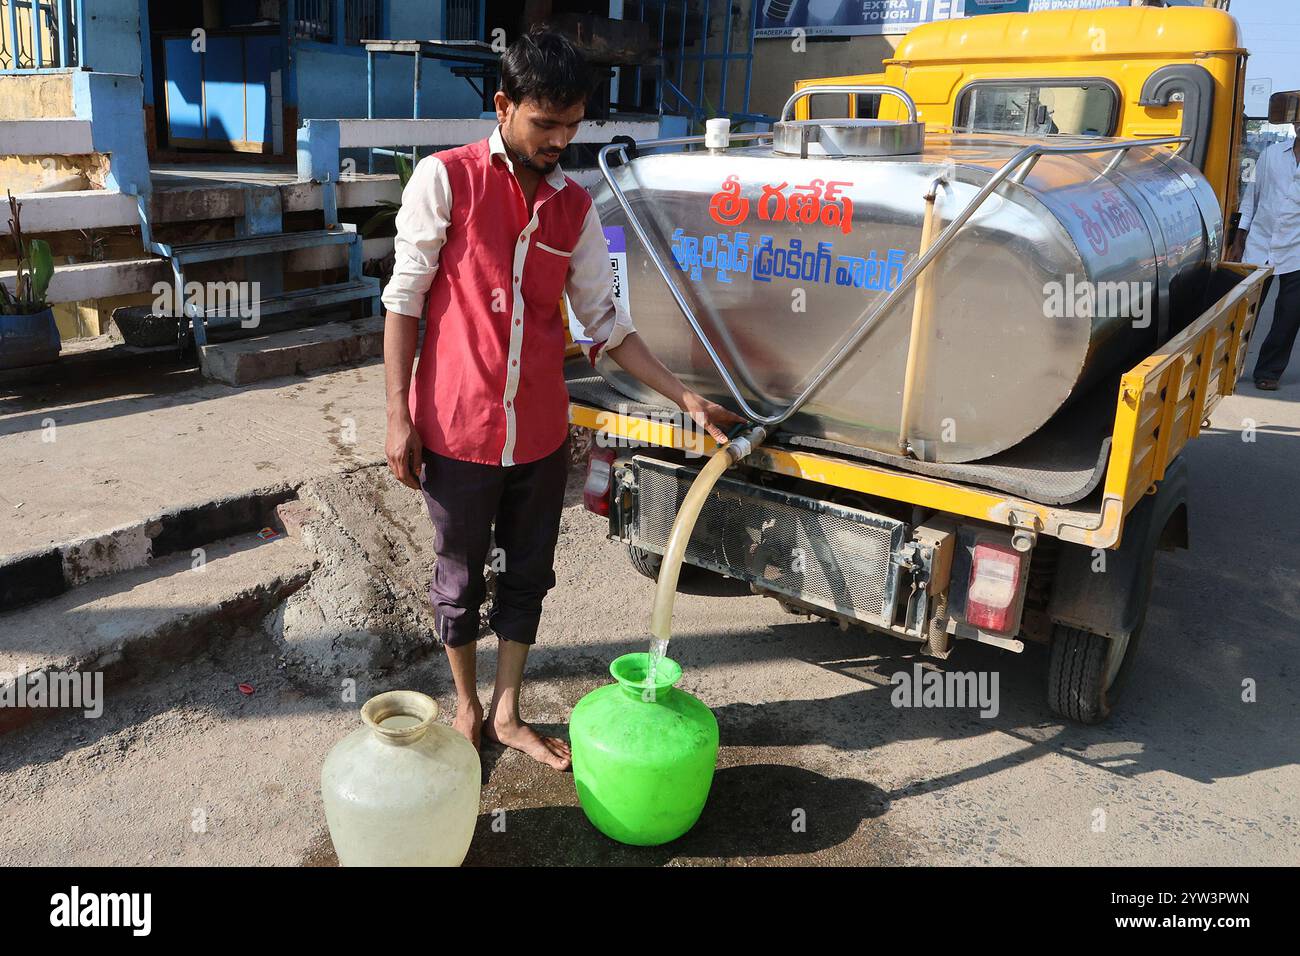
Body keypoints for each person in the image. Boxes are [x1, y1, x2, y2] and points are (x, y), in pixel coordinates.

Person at [381, 29, 743, 770]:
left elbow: (606, 327)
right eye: (544, 124)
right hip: (454, 427)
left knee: (528, 572)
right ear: (504, 105)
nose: (558, 140)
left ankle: (509, 709)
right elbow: (404, 302)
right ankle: (468, 704)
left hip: (541, 433)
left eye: (572, 126)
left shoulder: (576, 209)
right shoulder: (444, 181)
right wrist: (397, 416)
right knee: (457, 574)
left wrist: (686, 400)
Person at [1230, 123, 1300, 390]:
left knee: (1289, 316)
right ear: (1295, 125)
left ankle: (1268, 372)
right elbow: (1252, 198)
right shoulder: (1271, 154)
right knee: (1245, 312)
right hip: (1259, 244)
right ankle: (1231, 368)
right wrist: (1239, 239)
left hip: (1296, 251)